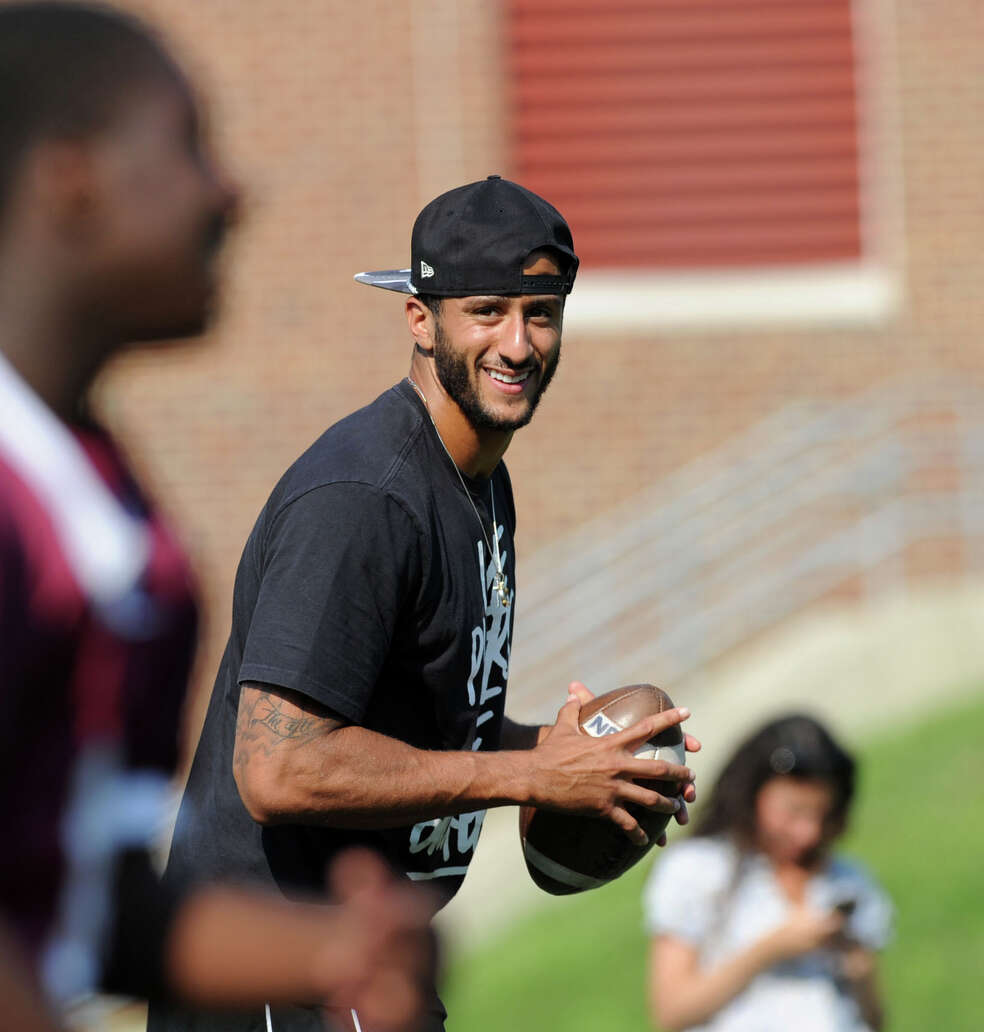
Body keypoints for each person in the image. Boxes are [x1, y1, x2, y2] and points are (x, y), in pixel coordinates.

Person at [0, 4, 434, 1030]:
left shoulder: (115, 518)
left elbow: (93, 909)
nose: (231, 192)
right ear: (71, 179)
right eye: (189, 147)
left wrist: (334, 950)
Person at [152, 175, 700, 1032]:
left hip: (371, 967)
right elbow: (279, 767)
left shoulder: (483, 484)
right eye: (486, 310)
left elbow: (424, 732)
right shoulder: (364, 497)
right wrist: (527, 775)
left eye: (541, 312)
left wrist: (577, 761)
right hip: (274, 979)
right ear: (420, 318)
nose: (518, 343)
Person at [643, 714, 892, 1032]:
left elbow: (876, 1019)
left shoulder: (848, 879)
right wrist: (768, 951)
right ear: (753, 795)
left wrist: (858, 966)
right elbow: (672, 1014)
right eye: (793, 811)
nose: (809, 832)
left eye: (823, 814)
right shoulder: (697, 869)